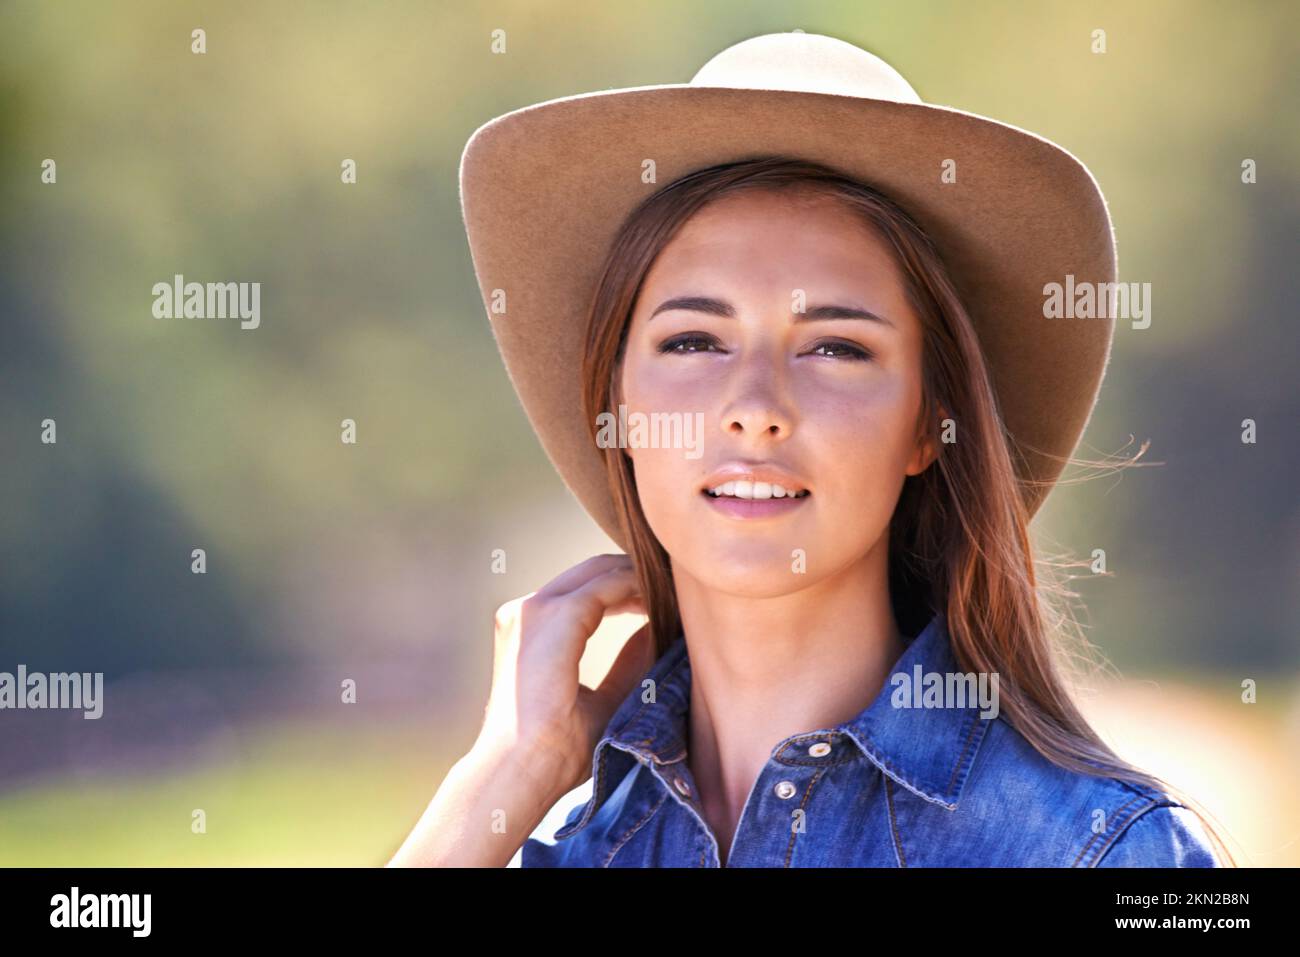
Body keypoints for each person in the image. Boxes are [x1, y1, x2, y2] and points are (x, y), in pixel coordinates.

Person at [388, 31, 1233, 868]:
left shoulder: (1113, 855)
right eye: (692, 342)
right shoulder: (568, 853)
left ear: (926, 422)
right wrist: (500, 778)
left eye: (835, 347)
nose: (754, 409)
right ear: (618, 403)